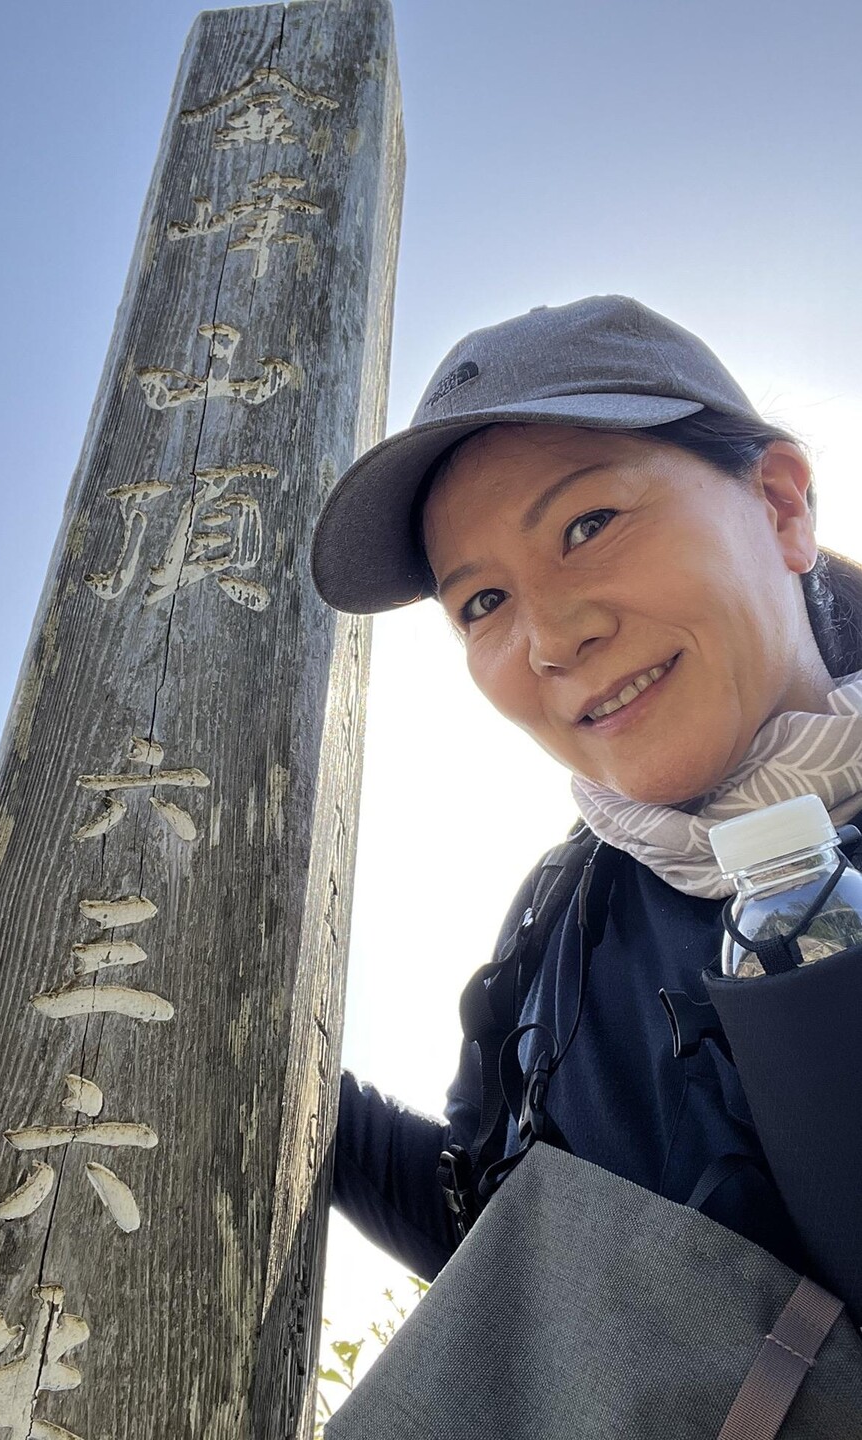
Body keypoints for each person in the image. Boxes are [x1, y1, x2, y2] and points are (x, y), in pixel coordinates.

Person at [310, 295, 862, 1296]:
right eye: (481, 601)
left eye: (587, 523)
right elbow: (501, 1249)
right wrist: (279, 1072)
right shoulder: (560, 921)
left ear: (780, 506)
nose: (549, 638)